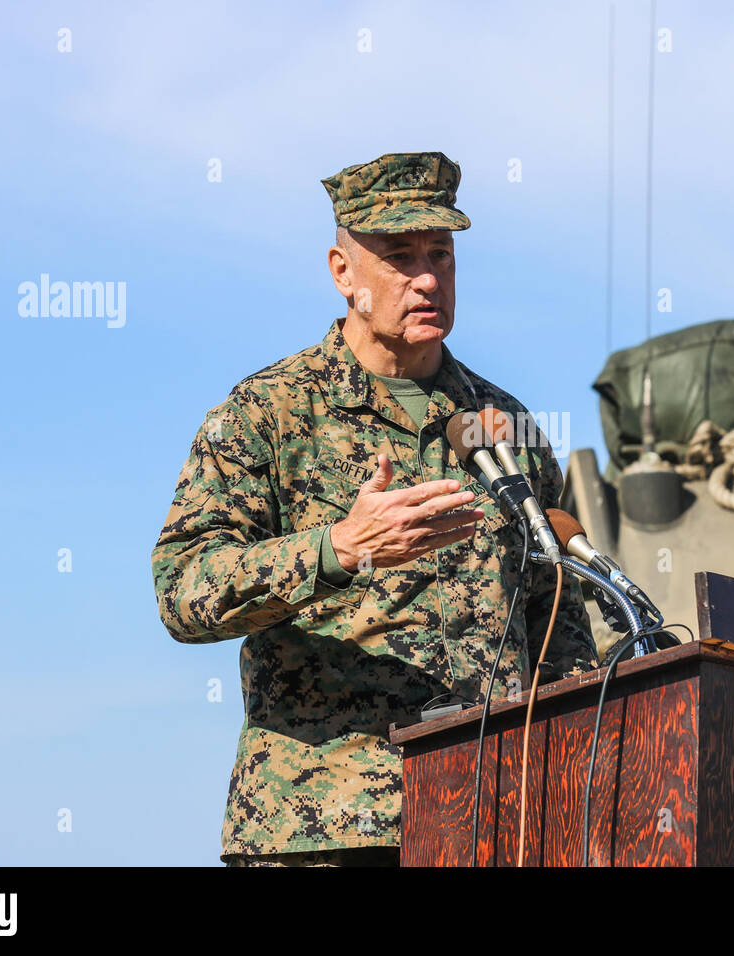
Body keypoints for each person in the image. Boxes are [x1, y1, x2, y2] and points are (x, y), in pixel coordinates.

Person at [151, 151, 599, 866]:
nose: (427, 278)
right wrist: (339, 550)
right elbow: (183, 591)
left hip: (497, 822)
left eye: (441, 254)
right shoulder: (269, 412)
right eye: (399, 258)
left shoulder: (502, 425)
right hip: (329, 826)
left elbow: (559, 629)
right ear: (342, 272)